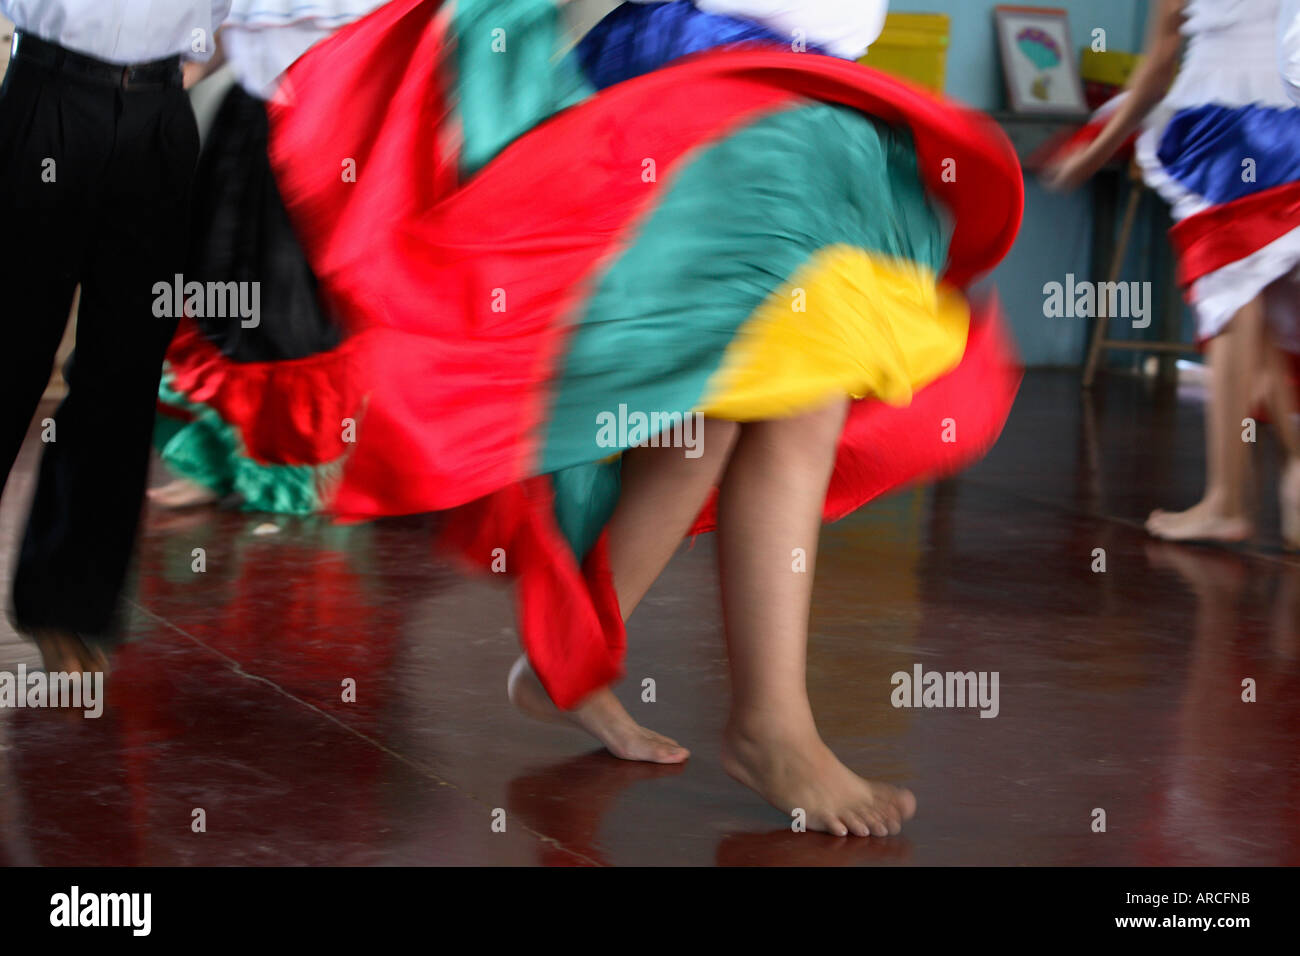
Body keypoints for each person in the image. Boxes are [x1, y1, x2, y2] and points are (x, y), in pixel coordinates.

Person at [269, 0, 1024, 836]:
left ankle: (573, 657)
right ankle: (771, 724)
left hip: (818, 100)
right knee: (797, 381)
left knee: (706, 418)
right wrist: (524, 82)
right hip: (703, 88)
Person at [0, 0, 230, 672]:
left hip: (159, 114)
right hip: (49, 97)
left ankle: (66, 606)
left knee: (121, 374)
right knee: (9, 355)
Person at [1045, 0, 1300, 547]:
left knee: (1231, 294)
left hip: (1226, 130)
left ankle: (1228, 500)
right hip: (1287, 123)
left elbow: (1159, 65)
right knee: (1266, 290)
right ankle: (1295, 473)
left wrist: (1093, 154)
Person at [150, 2, 386, 515]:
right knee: (219, 293)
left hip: (334, 126)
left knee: (293, 307)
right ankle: (213, 461)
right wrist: (166, 82)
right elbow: (221, 31)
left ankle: (299, 467)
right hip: (253, 123)